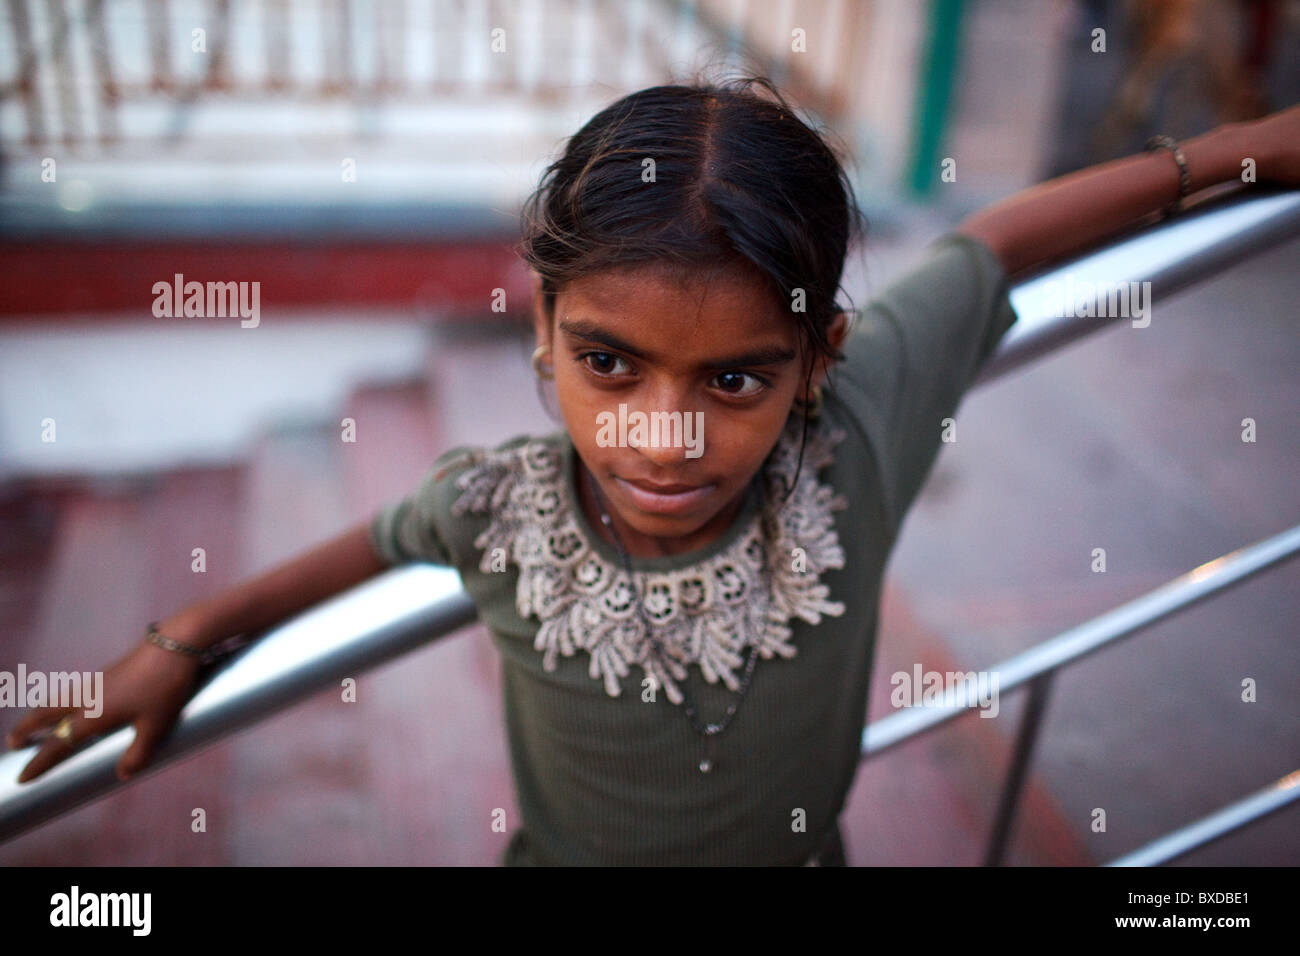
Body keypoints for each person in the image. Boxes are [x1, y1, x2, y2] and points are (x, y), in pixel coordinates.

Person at [6, 75, 1298, 866]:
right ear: (543, 336)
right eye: (609, 365)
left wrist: (1239, 154)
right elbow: (365, 549)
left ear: (816, 356)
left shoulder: (854, 437)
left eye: (734, 378)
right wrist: (182, 639)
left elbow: (993, 242)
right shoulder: (497, 508)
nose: (661, 438)